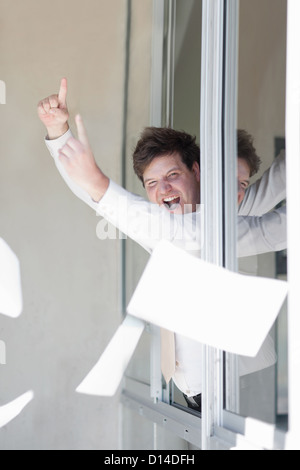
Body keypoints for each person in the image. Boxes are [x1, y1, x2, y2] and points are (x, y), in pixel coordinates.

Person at [38, 79, 286, 412]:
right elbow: (94, 195)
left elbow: (277, 201)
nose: (163, 188)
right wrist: (59, 133)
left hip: (239, 385)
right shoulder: (162, 225)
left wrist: (95, 178)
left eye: (172, 175)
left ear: (196, 172)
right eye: (152, 183)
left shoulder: (219, 216)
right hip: (195, 391)